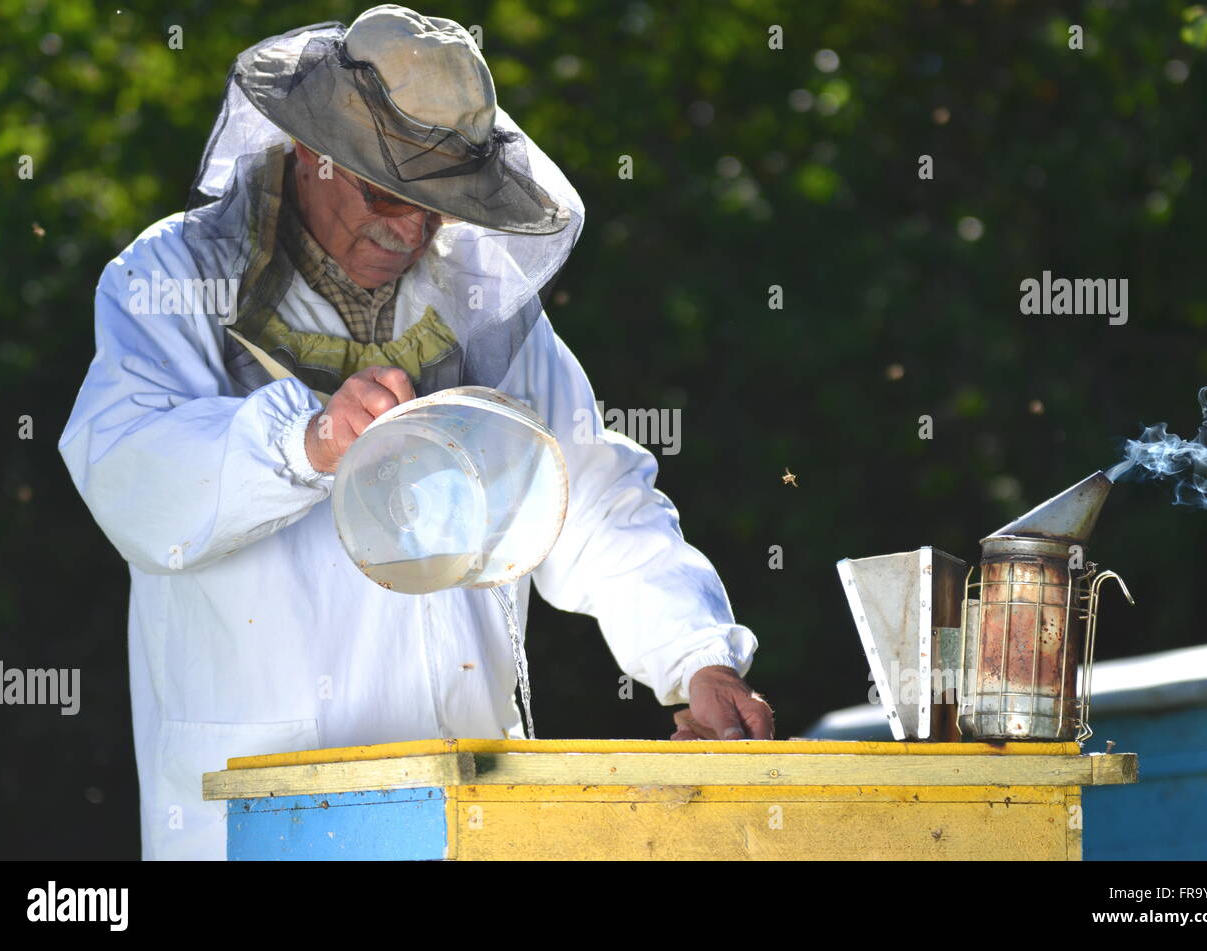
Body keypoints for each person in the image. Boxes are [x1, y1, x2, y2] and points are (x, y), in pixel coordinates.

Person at [59, 4, 770, 860]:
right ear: (313, 151)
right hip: (256, 816)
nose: (409, 228)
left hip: (469, 814)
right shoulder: (171, 277)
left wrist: (694, 655)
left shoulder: (480, 304)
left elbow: (589, 494)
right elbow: (128, 473)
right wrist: (307, 441)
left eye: (436, 201)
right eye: (386, 191)